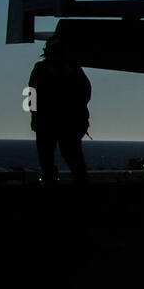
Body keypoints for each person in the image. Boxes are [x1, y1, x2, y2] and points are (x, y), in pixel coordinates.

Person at [28, 35, 92, 185]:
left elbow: (31, 95)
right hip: (64, 122)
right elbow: (85, 93)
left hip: (50, 122)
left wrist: (34, 116)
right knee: (71, 157)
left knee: (50, 157)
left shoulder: (42, 69)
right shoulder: (74, 70)